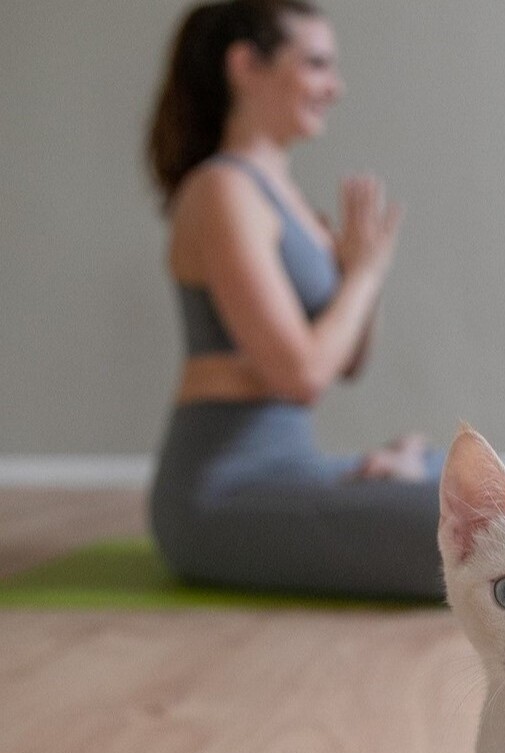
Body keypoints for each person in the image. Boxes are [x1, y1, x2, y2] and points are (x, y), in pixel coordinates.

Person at [145, 0, 442, 597]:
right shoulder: (223, 189)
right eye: (316, 64)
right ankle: (399, 475)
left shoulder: (286, 199)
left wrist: (359, 272)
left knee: (482, 486)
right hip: (223, 490)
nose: (335, 87)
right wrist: (364, 275)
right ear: (245, 66)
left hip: (297, 471)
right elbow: (301, 375)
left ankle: (398, 467)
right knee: (460, 524)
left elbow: (347, 361)